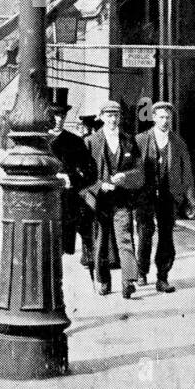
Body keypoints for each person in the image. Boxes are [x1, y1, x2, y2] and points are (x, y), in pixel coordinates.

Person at [82, 101, 145, 298]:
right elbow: (83, 175)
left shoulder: (128, 140)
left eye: (116, 115)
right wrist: (100, 185)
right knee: (101, 241)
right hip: (99, 201)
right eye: (109, 115)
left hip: (121, 199)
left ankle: (128, 281)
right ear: (101, 117)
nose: (113, 119)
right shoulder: (91, 141)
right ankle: (103, 280)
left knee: (124, 238)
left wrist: (125, 176)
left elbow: (139, 170)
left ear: (120, 117)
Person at [134, 102, 195, 293]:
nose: (165, 121)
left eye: (168, 117)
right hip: (145, 194)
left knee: (166, 236)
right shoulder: (141, 140)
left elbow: (187, 172)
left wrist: (190, 198)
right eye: (161, 117)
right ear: (154, 118)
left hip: (168, 195)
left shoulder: (178, 143)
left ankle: (162, 277)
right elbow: (132, 169)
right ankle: (141, 271)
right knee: (144, 232)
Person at [47, 99, 96, 285]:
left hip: (69, 198)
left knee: (70, 234)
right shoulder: (39, 140)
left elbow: (89, 171)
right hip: (46, 199)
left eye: (61, 115)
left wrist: (71, 178)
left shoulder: (75, 141)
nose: (58, 119)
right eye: (54, 115)